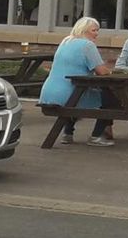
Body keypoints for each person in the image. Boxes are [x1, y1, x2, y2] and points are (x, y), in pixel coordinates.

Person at [39, 16, 108, 147]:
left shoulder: (65, 41)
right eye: (94, 30)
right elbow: (102, 71)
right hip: (69, 95)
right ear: (84, 30)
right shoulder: (88, 45)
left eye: (97, 30)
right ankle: (96, 136)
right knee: (111, 99)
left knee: (78, 94)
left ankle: (68, 133)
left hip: (49, 93)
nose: (96, 34)